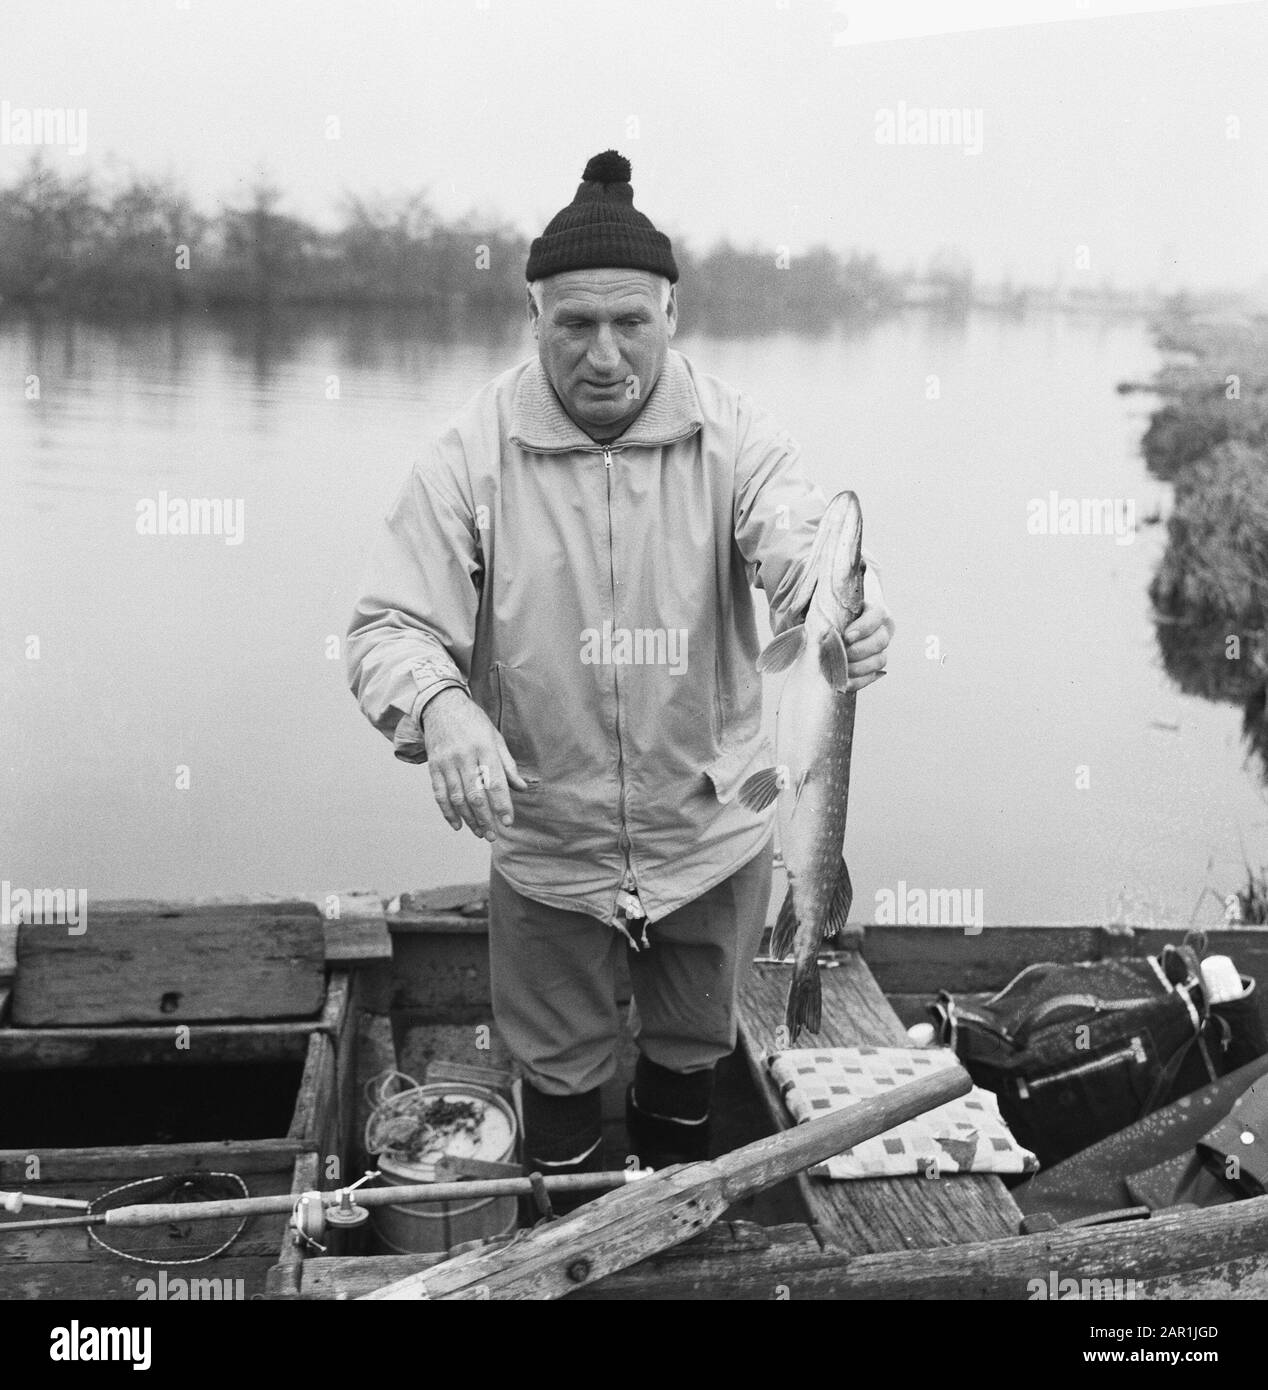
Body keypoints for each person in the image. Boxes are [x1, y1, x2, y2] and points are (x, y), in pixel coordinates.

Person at [346, 150, 894, 1193]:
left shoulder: (736, 438)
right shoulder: (467, 456)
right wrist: (439, 702)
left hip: (709, 831)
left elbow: (803, 547)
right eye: (575, 326)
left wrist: (849, 620)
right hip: (546, 839)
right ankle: (565, 1225)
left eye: (628, 323)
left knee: (688, 1062)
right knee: (553, 1083)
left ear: (669, 316)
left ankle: (667, 1212)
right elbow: (384, 627)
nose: (603, 355)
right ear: (535, 320)